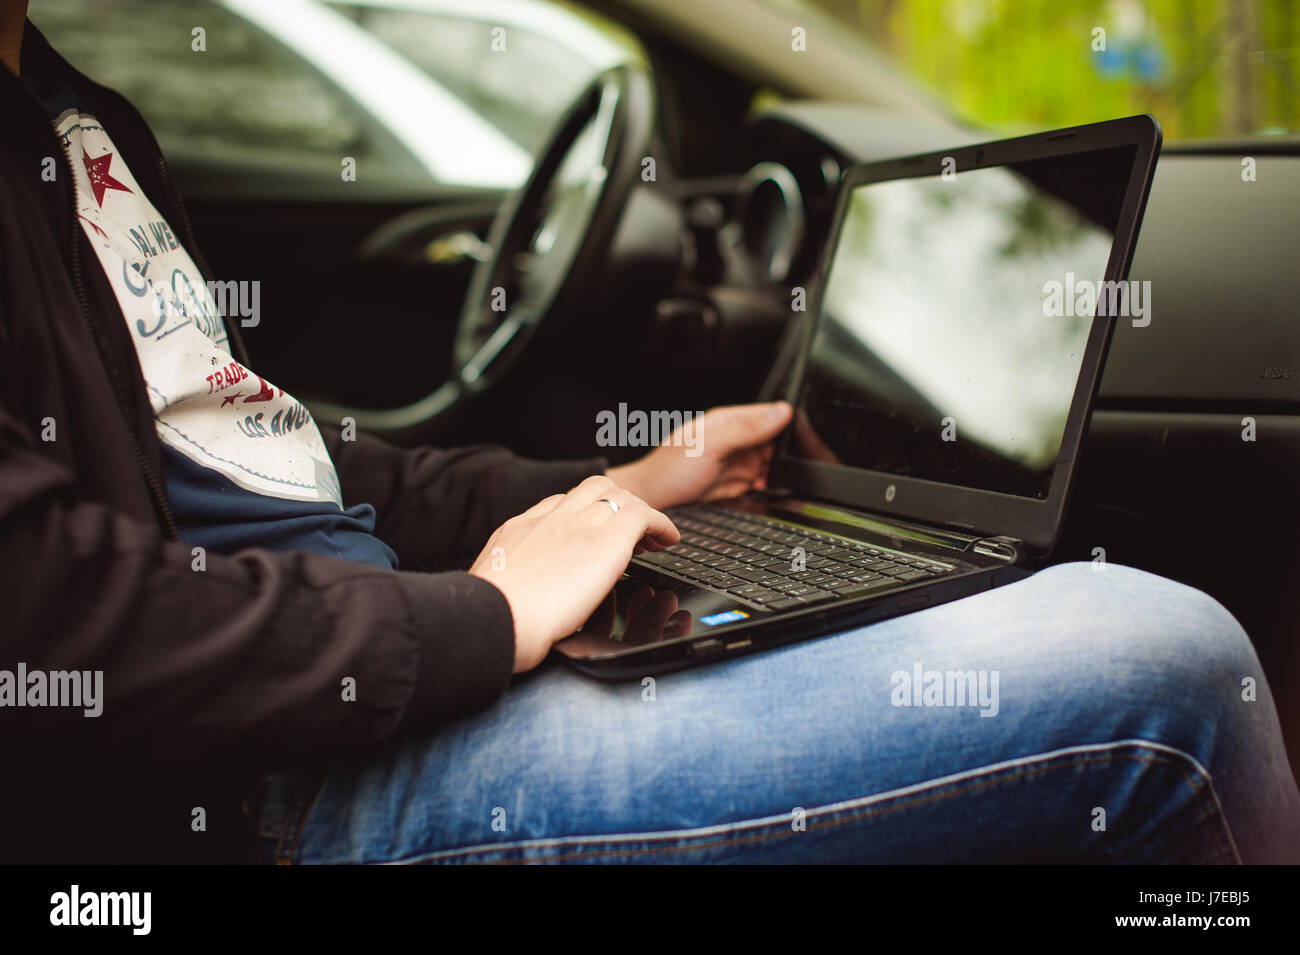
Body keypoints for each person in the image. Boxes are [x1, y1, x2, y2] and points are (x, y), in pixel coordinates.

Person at [0, 3, 1295, 864]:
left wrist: (615, 485)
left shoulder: (66, 106)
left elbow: (274, 462)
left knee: (928, 584)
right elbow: (48, 622)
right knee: (1171, 665)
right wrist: (486, 617)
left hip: (355, 662)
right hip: (276, 781)